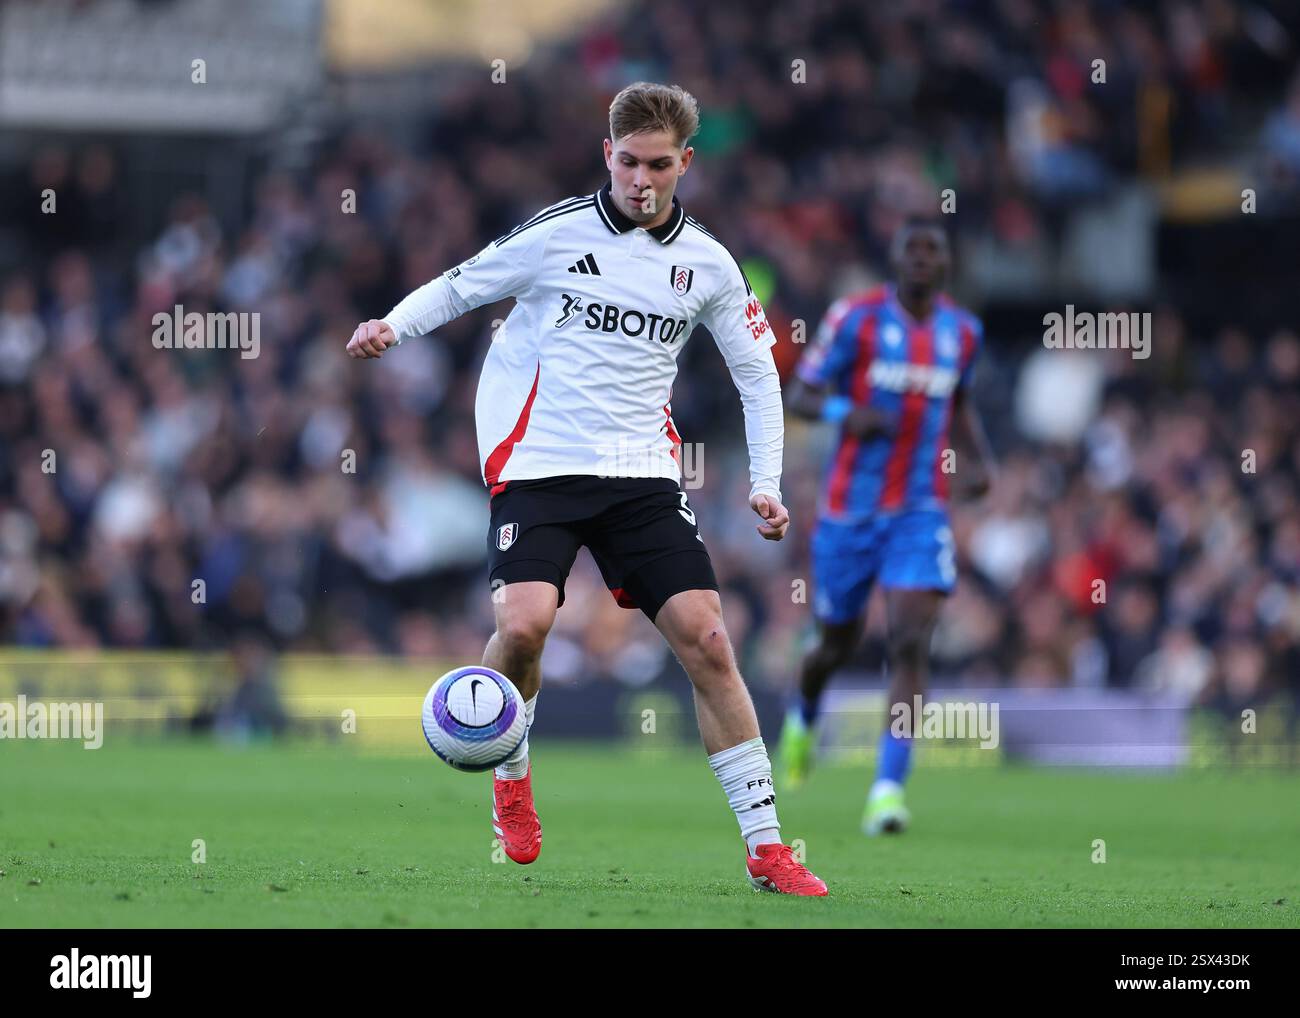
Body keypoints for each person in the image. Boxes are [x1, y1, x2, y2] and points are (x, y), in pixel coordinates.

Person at [347, 82, 826, 895]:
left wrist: (768, 483)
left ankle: (768, 845)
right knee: (527, 627)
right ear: (608, 154)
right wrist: (394, 324)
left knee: (709, 641)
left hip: (639, 470)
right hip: (540, 461)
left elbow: (757, 375)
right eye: (630, 162)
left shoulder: (707, 262)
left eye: (660, 165)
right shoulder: (558, 234)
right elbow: (465, 283)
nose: (643, 180)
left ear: (687, 164)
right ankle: (512, 773)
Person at [781, 218, 996, 835]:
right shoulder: (856, 319)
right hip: (848, 514)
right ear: (895, 260)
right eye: (913, 250)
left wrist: (977, 460)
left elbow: (959, 406)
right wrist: (849, 413)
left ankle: (886, 790)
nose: (924, 259)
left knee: (909, 639)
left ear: (948, 263)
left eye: (935, 250)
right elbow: (802, 394)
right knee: (836, 645)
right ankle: (803, 715)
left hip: (920, 511)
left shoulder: (964, 332)